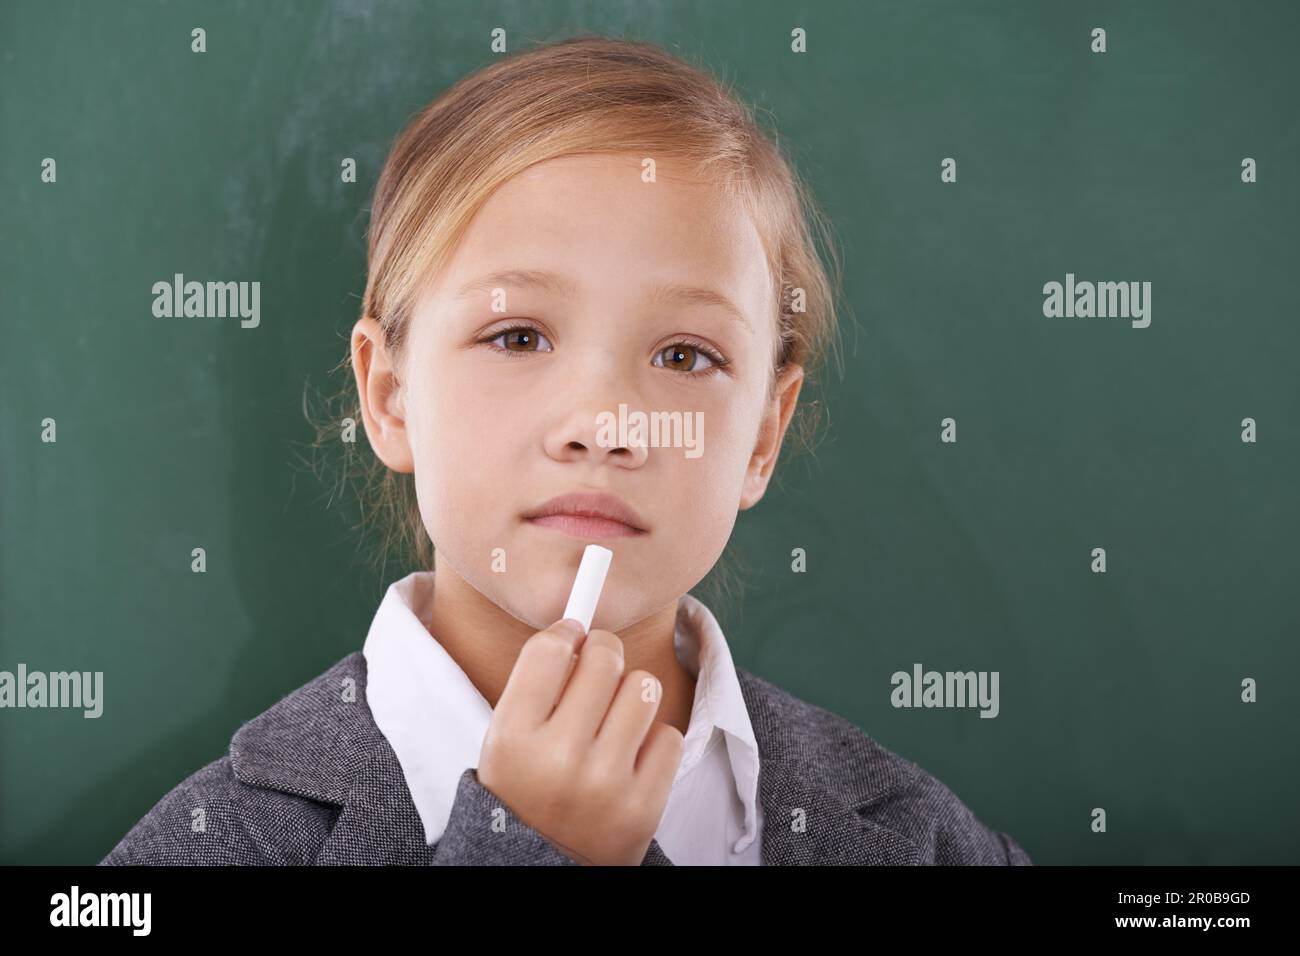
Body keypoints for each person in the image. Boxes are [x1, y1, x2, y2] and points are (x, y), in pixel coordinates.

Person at [102, 34, 1031, 866]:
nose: (608, 424)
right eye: (517, 337)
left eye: (684, 355)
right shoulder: (220, 845)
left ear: (761, 436)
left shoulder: (920, 839)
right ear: (388, 396)